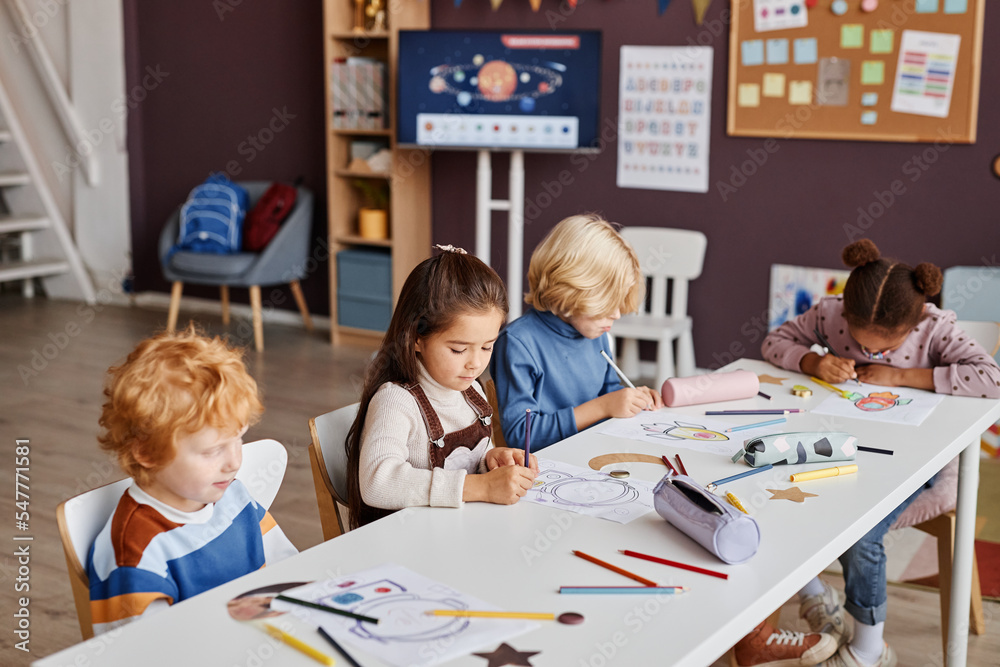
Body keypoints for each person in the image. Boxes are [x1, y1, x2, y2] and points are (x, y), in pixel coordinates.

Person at [758, 239, 1000, 667]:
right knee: (770, 491)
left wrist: (904, 374)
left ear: (917, 321)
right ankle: (816, 595)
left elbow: (990, 379)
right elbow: (775, 341)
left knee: (860, 531)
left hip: (917, 463)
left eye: (885, 348)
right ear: (844, 316)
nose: (872, 355)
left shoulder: (934, 326)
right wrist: (813, 363)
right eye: (861, 343)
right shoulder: (829, 314)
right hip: (842, 449)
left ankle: (871, 649)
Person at [88, 329, 297, 634]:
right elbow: (144, 652)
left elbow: (288, 570)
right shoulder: (135, 554)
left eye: (239, 440)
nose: (235, 462)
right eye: (213, 451)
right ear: (147, 452)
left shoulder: (234, 496)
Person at [346, 245, 538, 529]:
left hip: (456, 532)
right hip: (405, 546)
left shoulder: (471, 392)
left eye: (487, 347)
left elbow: (464, 464)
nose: (475, 364)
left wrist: (491, 460)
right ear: (416, 338)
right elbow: (377, 482)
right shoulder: (395, 402)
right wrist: (481, 487)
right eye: (459, 350)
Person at [489, 213, 663, 452]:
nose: (616, 314)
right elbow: (521, 437)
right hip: (548, 469)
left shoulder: (597, 333)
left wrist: (631, 400)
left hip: (591, 452)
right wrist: (603, 407)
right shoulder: (519, 344)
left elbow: (609, 394)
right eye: (607, 302)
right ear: (570, 288)